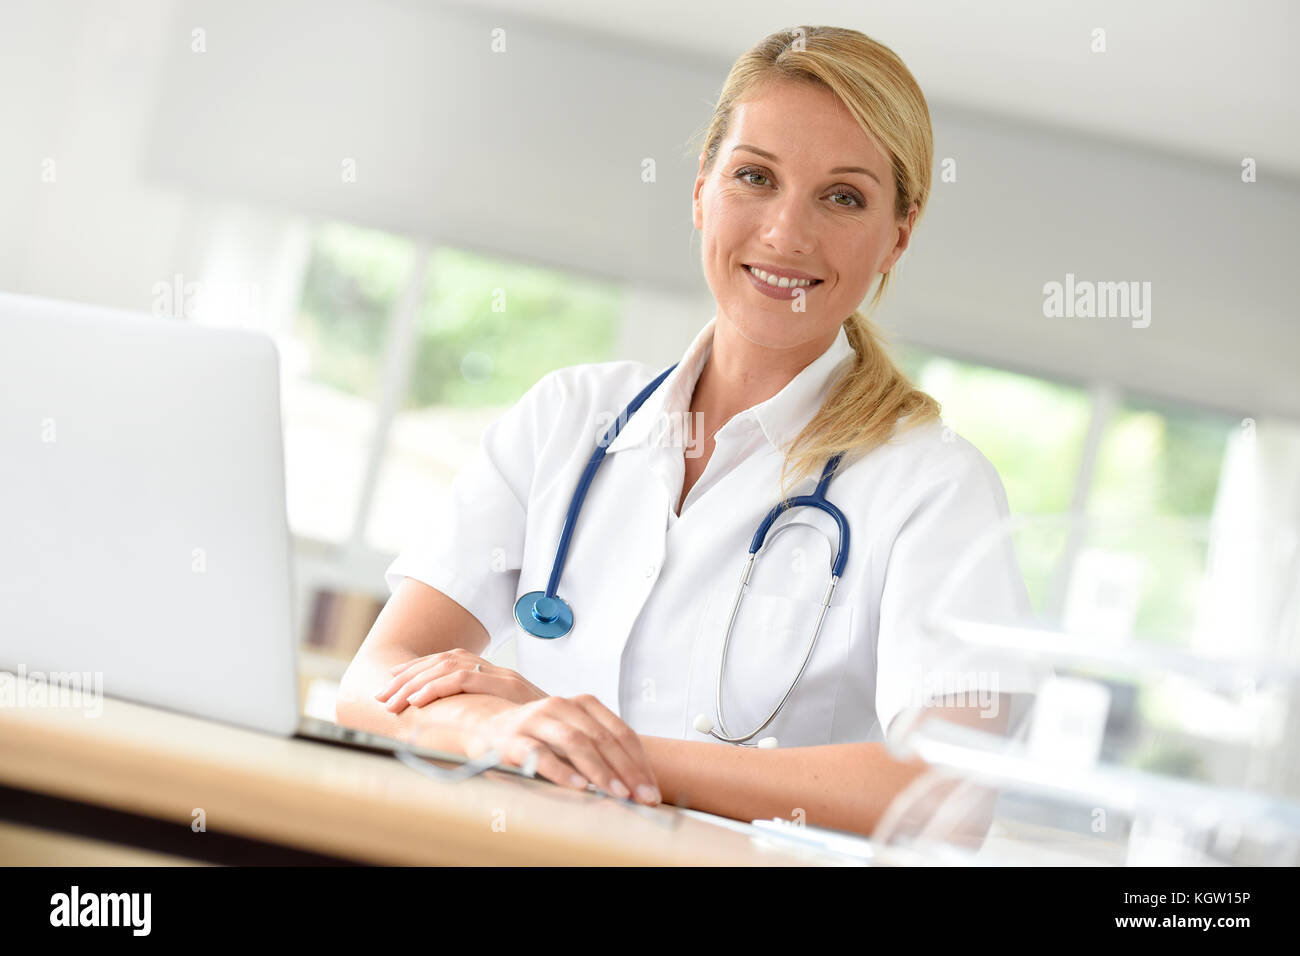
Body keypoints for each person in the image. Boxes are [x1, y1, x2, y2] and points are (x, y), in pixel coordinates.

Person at [336, 25, 1035, 836]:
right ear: (701, 188)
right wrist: (497, 729)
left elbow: (945, 791)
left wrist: (609, 751)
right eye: (754, 177)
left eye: (842, 196)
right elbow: (372, 680)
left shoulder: (934, 487)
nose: (785, 233)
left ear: (898, 235)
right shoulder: (566, 419)